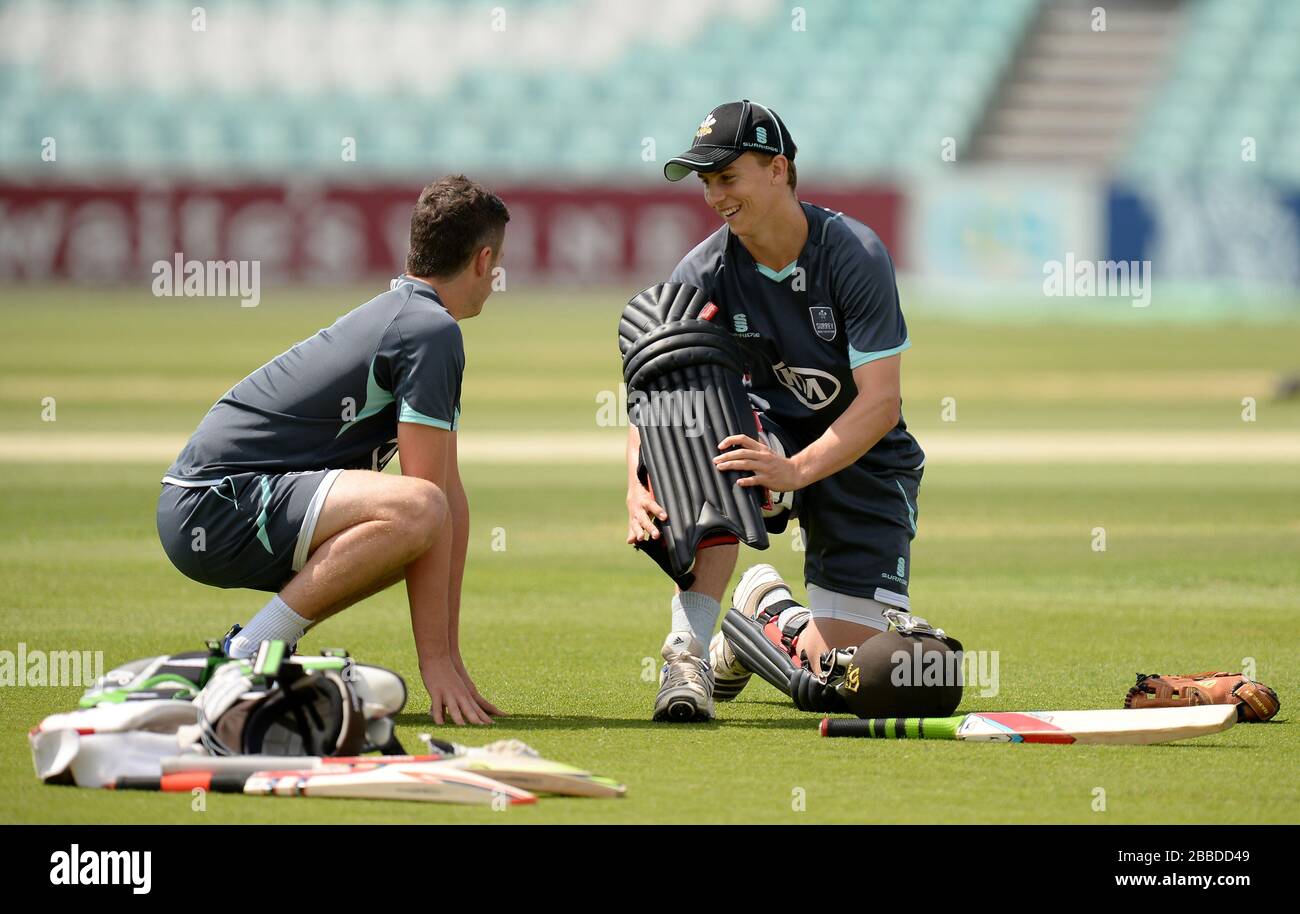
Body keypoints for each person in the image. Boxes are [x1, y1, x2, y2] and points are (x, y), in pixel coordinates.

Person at [156, 175, 508, 726]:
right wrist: (432, 662)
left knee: (423, 512)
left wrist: (451, 662)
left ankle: (255, 651)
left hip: (213, 500)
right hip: (213, 501)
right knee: (415, 510)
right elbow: (426, 503)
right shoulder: (430, 331)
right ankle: (247, 655)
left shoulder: (415, 318)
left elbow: (449, 499)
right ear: (484, 260)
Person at [626, 100, 926, 721]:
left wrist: (798, 472)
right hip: (765, 440)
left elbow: (881, 402)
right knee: (704, 438)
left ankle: (764, 617)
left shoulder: (853, 253)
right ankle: (685, 654)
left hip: (861, 454)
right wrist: (636, 482)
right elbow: (655, 393)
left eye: (727, 177)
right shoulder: (703, 271)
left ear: (778, 169)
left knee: (856, 673)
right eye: (707, 182)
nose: (714, 196)